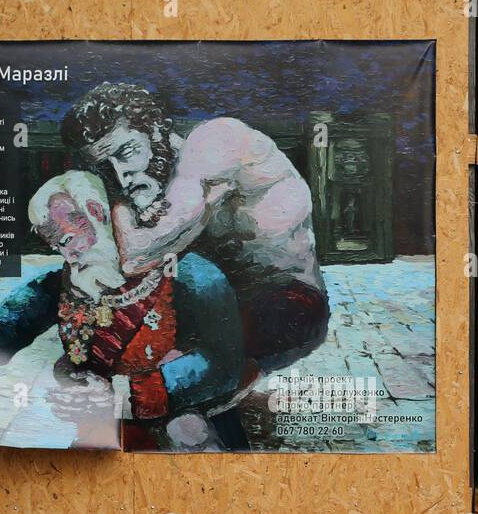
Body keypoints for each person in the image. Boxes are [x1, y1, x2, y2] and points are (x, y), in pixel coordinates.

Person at [0, 170, 248, 450]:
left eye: (68, 240)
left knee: (188, 433)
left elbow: (223, 362)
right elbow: (2, 332)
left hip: (188, 414)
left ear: (97, 215)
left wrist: (123, 394)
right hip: (103, 425)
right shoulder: (59, 284)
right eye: (57, 246)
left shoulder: (190, 272)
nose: (67, 256)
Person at [60, 82, 328, 376]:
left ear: (156, 130)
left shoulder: (211, 142)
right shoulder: (151, 179)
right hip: (221, 302)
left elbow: (135, 256)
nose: (121, 176)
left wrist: (121, 201)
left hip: (288, 304)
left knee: (169, 373)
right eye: (105, 166)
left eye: (127, 150)